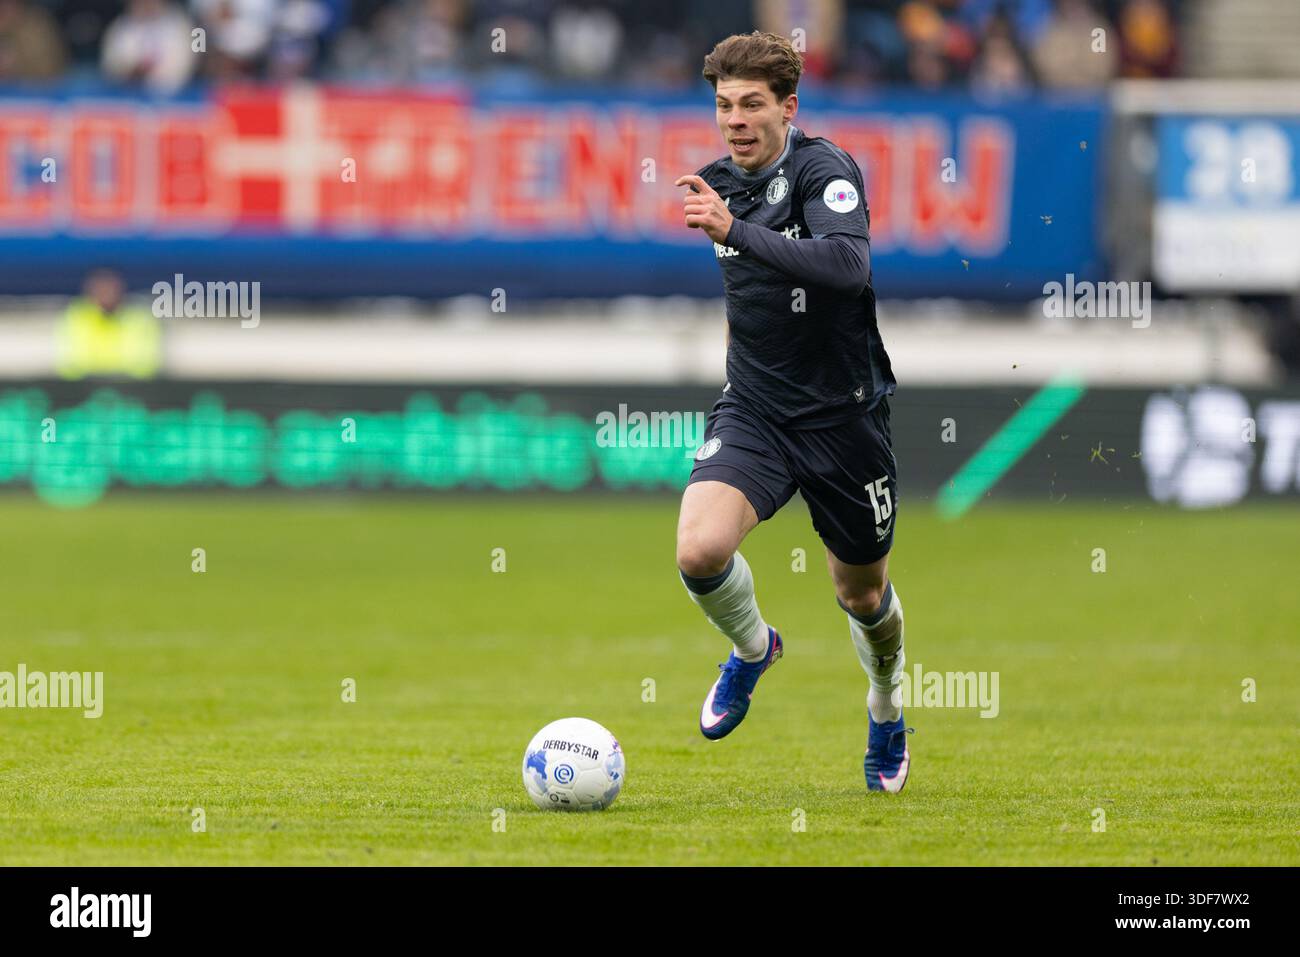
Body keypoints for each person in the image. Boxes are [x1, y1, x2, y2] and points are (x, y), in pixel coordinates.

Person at [673, 31, 911, 792]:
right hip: (758, 411)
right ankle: (752, 650)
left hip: (843, 420)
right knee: (699, 549)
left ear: (788, 108)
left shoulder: (823, 169)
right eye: (723, 105)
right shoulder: (717, 185)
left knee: (861, 594)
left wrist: (736, 233)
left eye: (751, 105)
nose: (735, 120)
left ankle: (886, 705)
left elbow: (848, 266)